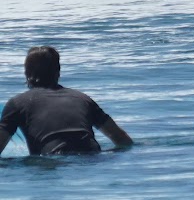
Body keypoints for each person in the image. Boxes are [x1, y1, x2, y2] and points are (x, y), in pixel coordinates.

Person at [1, 46, 132, 156]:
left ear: (27, 73)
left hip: (53, 158)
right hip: (92, 156)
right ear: (58, 71)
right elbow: (123, 141)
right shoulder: (83, 99)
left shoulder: (17, 103)